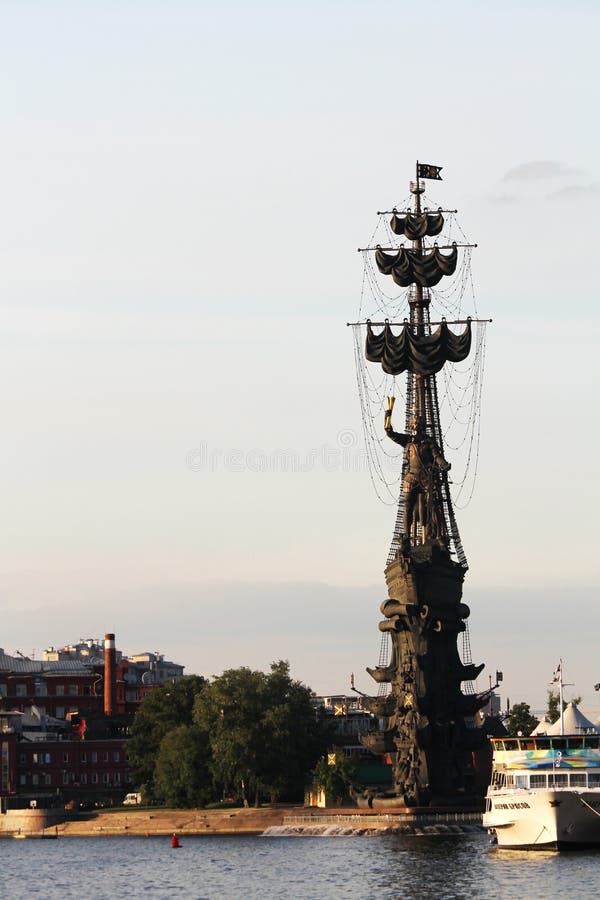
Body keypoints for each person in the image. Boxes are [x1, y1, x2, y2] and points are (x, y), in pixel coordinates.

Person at [384, 397, 450, 543]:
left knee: (433, 500)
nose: (415, 429)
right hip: (412, 476)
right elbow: (390, 433)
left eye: (418, 427)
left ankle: (436, 533)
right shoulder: (407, 441)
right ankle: (406, 536)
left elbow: (437, 456)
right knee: (407, 504)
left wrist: (443, 464)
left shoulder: (428, 442)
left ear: (422, 428)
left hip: (426, 477)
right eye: (414, 426)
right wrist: (388, 413)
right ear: (411, 427)